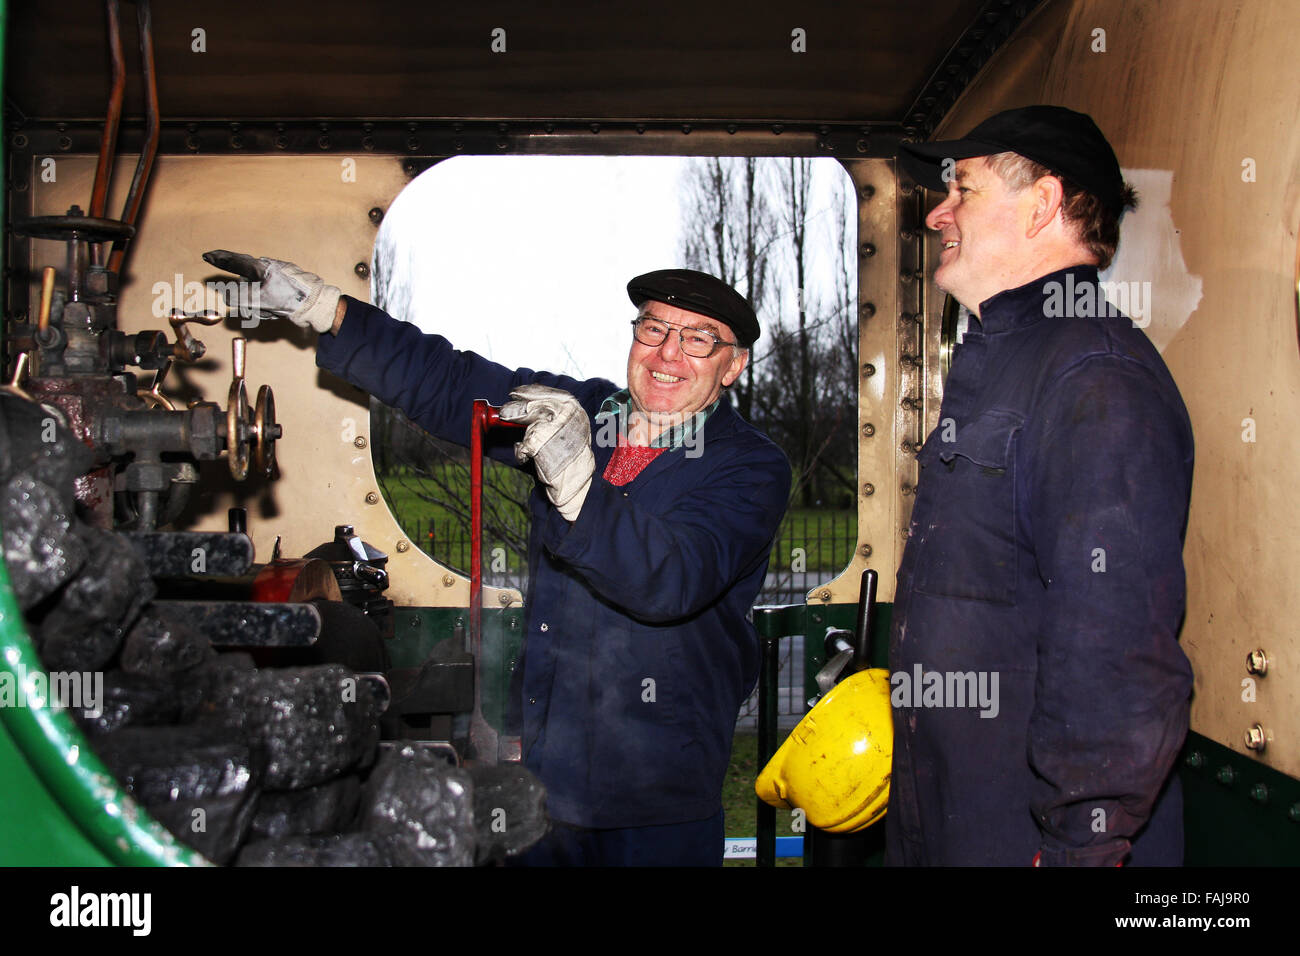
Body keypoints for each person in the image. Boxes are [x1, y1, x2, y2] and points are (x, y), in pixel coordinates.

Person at [203, 252, 791, 865]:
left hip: (656, 791)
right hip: (541, 768)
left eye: (699, 339)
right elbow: (453, 383)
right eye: (653, 328)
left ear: (733, 365)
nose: (668, 353)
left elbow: (673, 577)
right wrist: (330, 312)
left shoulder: (750, 466)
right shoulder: (587, 416)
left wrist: (580, 488)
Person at [890, 106, 1194, 866]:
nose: (938, 212)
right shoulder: (1006, 358)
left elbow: (1115, 649)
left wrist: (1079, 845)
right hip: (952, 821)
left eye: (963, 189)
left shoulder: (1096, 378)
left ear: (1043, 204)